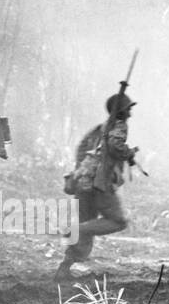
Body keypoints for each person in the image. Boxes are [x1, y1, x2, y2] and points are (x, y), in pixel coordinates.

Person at [55, 92, 137, 281]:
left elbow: (82, 149)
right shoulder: (119, 126)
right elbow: (116, 146)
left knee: (87, 227)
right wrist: (128, 152)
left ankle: (64, 269)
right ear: (122, 112)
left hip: (83, 182)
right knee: (117, 221)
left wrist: (82, 173)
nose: (130, 114)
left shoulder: (99, 130)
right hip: (101, 183)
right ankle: (75, 230)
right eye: (128, 110)